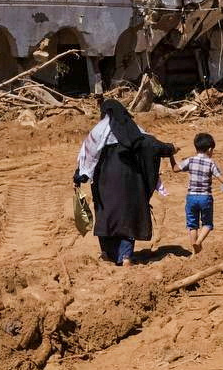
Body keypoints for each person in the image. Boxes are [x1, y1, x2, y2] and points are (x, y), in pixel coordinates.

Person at [74, 99, 176, 267]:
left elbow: (88, 156)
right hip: (130, 183)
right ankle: (126, 257)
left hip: (104, 183)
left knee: (106, 216)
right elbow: (151, 145)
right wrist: (170, 148)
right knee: (127, 217)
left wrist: (79, 177)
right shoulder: (133, 130)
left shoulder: (97, 132)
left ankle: (108, 255)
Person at [177, 132, 223, 254]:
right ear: (210, 149)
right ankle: (198, 242)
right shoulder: (210, 162)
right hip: (205, 197)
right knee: (207, 224)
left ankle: (195, 252)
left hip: (191, 197)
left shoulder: (190, 160)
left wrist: (170, 156)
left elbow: (175, 169)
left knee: (192, 225)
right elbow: (222, 180)